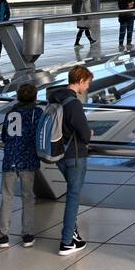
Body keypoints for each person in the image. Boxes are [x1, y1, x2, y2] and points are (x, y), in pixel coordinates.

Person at [52, 65, 93, 255]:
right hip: (75, 155)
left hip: (59, 153)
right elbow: (84, 133)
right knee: (73, 197)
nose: (88, 87)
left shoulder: (56, 98)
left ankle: (72, 233)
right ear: (81, 80)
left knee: (71, 194)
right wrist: (89, 133)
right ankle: (67, 241)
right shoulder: (74, 103)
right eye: (88, 83)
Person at [0, 83, 41, 248]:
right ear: (35, 97)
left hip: (10, 160)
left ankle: (3, 235)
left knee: (7, 197)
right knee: (27, 197)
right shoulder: (37, 112)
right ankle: (27, 234)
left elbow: (5, 136)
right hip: (27, 161)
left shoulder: (11, 112)